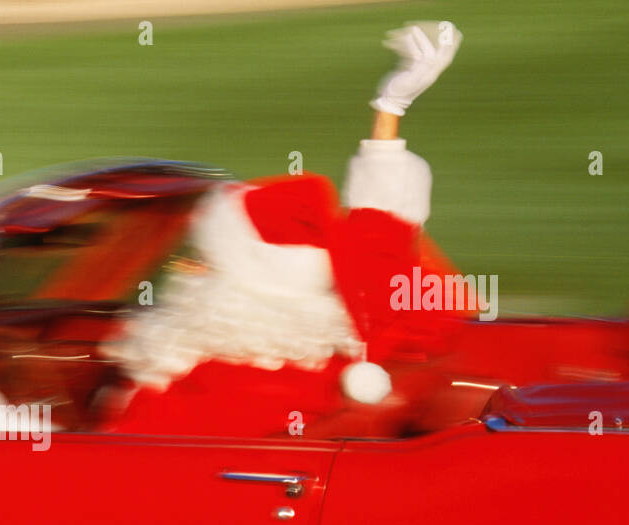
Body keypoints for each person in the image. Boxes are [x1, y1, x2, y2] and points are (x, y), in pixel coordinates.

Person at [106, 21, 472, 438]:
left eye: (206, 260)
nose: (191, 269)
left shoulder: (189, 381)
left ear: (240, 283)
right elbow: (379, 248)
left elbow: (113, 453)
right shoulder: (345, 350)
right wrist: (390, 110)